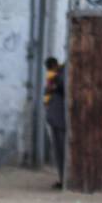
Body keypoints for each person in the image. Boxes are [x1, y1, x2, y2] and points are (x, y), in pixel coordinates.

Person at [44, 57, 66, 188]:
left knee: (61, 149)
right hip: (57, 115)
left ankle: (64, 179)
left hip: (58, 115)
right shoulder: (60, 72)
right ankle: (63, 179)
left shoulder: (61, 72)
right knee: (60, 149)